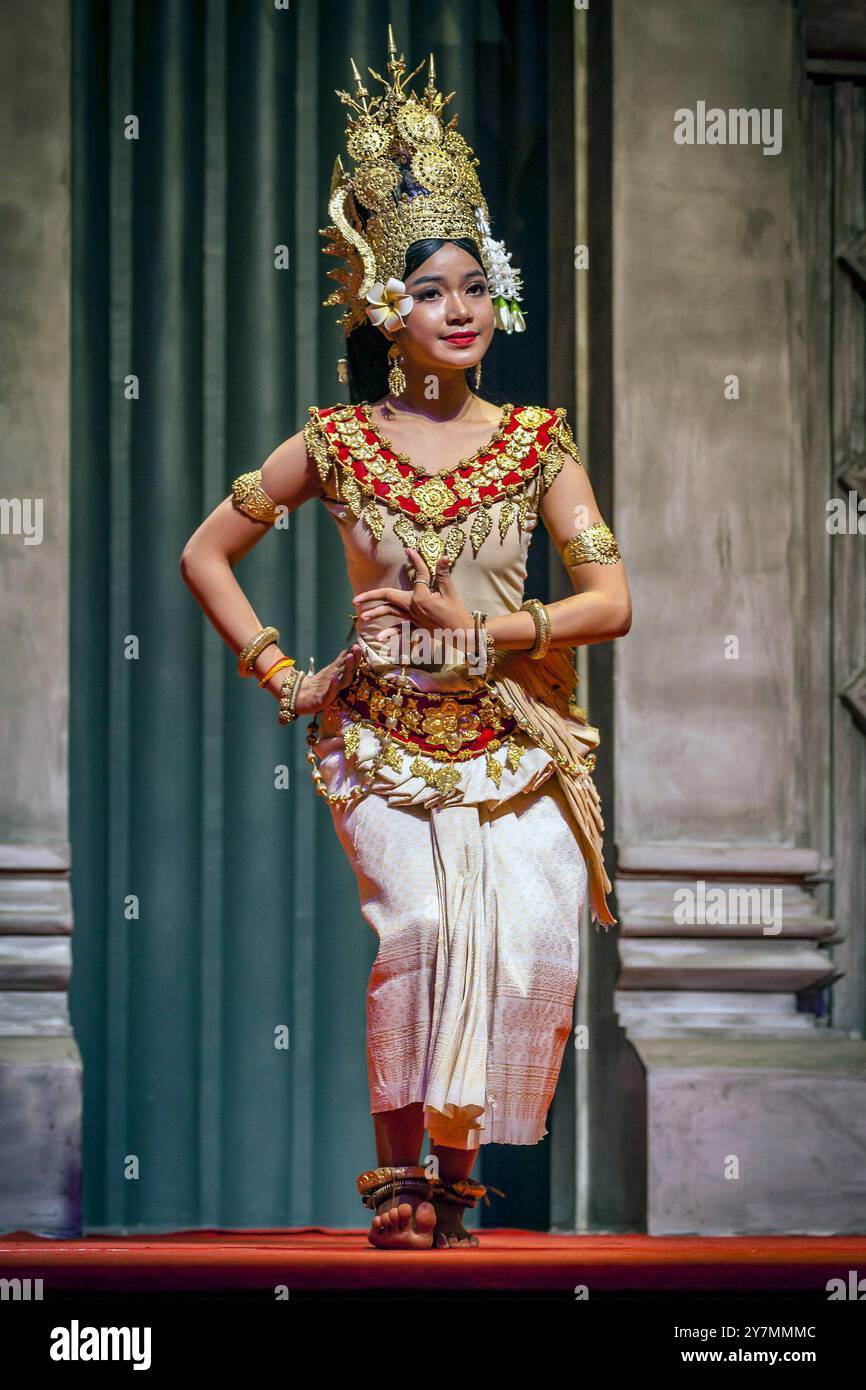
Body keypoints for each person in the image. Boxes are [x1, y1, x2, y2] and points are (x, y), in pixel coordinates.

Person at [180, 29, 631, 1251]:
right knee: (428, 931)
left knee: (524, 937)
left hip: (511, 733)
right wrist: (288, 672)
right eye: (430, 289)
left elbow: (608, 600)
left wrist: (479, 624)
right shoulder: (336, 440)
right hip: (376, 731)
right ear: (385, 307)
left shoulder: (538, 441)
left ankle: (456, 1179)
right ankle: (403, 1190)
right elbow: (203, 552)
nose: (459, 310)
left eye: (475, 285)